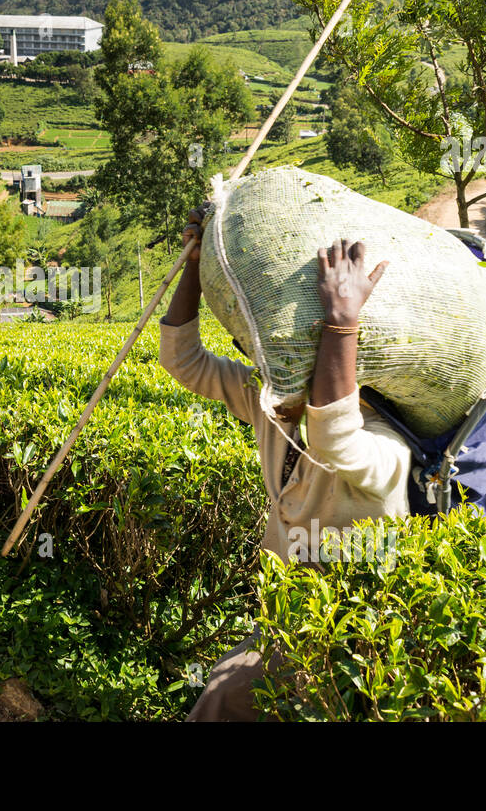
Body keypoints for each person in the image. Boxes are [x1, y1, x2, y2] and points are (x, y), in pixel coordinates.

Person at [159, 205, 413, 721]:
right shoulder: (269, 401)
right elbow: (182, 360)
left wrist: (342, 324)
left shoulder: (387, 447)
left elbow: (336, 436)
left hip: (355, 633)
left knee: (225, 695)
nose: (263, 363)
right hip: (285, 616)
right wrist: (193, 262)